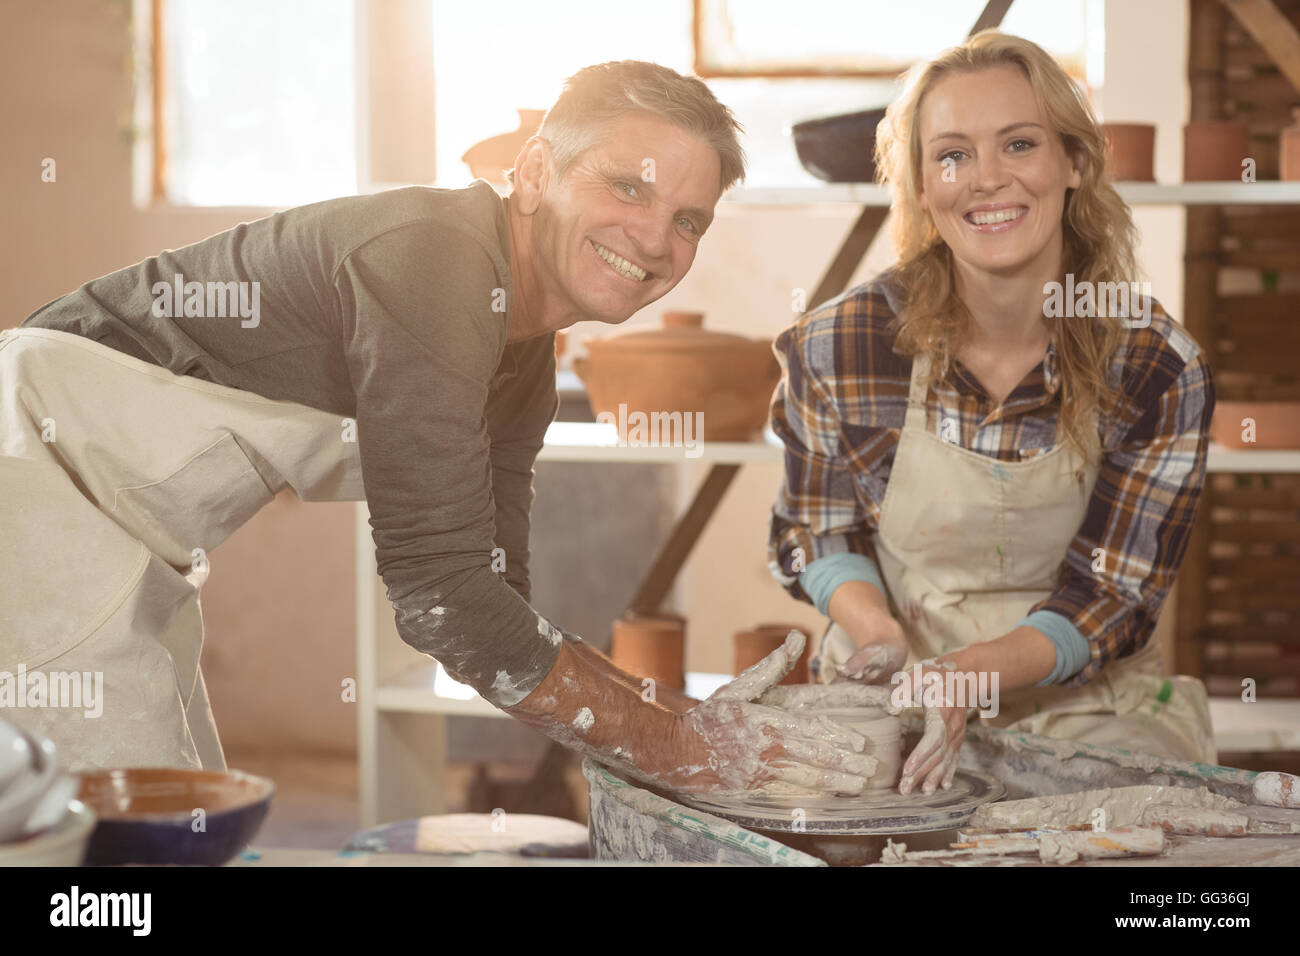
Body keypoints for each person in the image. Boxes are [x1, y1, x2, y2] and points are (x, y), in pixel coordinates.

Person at [2, 60, 875, 795]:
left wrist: (670, 709)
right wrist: (681, 751)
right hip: (34, 475)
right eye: (627, 186)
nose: (654, 238)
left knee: (177, 812)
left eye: (689, 220)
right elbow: (439, 591)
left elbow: (494, 600)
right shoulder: (435, 256)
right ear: (534, 174)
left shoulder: (523, 355)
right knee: (111, 837)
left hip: (124, 539)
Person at [768, 32, 1218, 798]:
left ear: (1074, 161)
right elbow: (817, 529)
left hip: (1087, 711)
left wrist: (967, 678)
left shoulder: (1155, 362)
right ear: (919, 182)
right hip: (893, 697)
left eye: (1019, 144)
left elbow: (1115, 592)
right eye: (952, 155)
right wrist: (879, 640)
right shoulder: (840, 342)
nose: (985, 180)